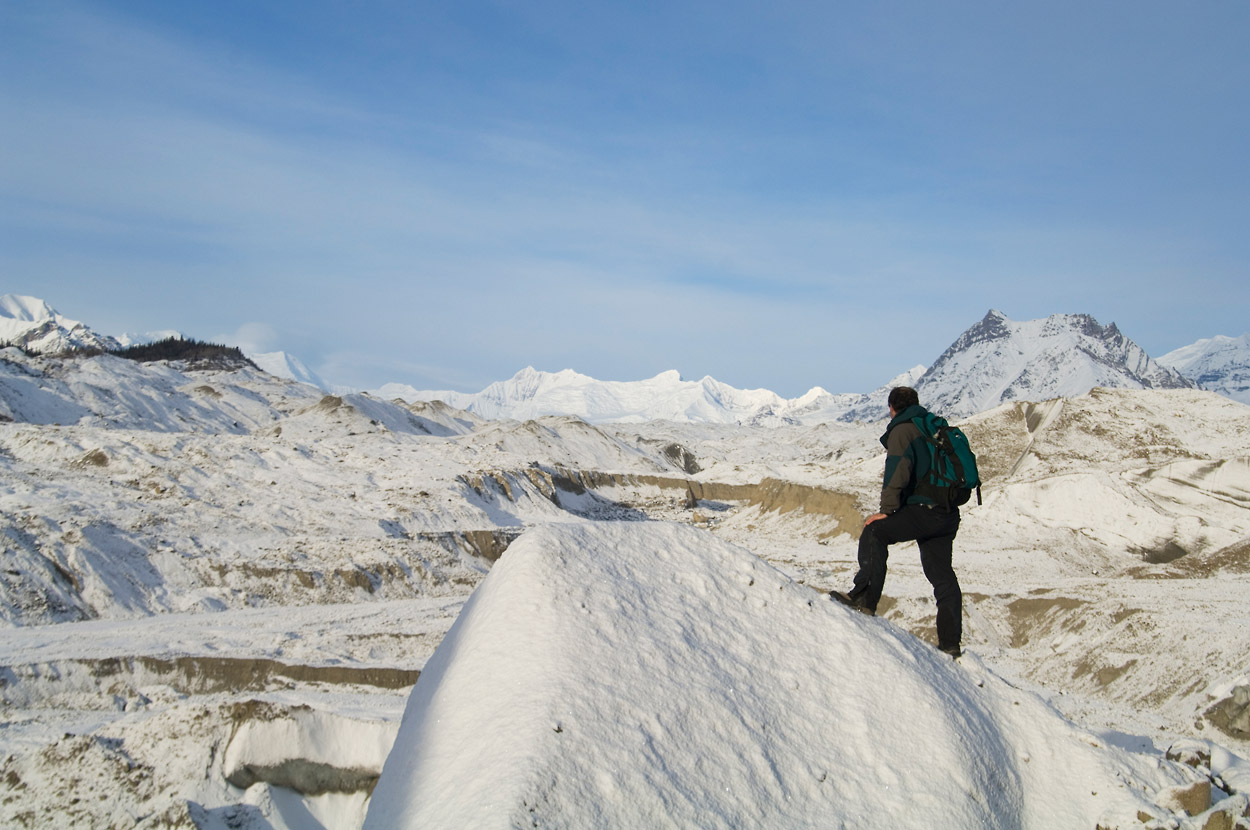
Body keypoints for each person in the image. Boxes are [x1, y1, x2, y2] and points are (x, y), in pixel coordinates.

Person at [831, 386, 964, 658]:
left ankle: (864, 599)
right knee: (943, 577)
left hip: (924, 510)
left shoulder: (902, 430)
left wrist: (887, 511)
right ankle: (950, 644)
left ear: (891, 407)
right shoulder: (932, 426)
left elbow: (897, 472)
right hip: (947, 513)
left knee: (875, 532)